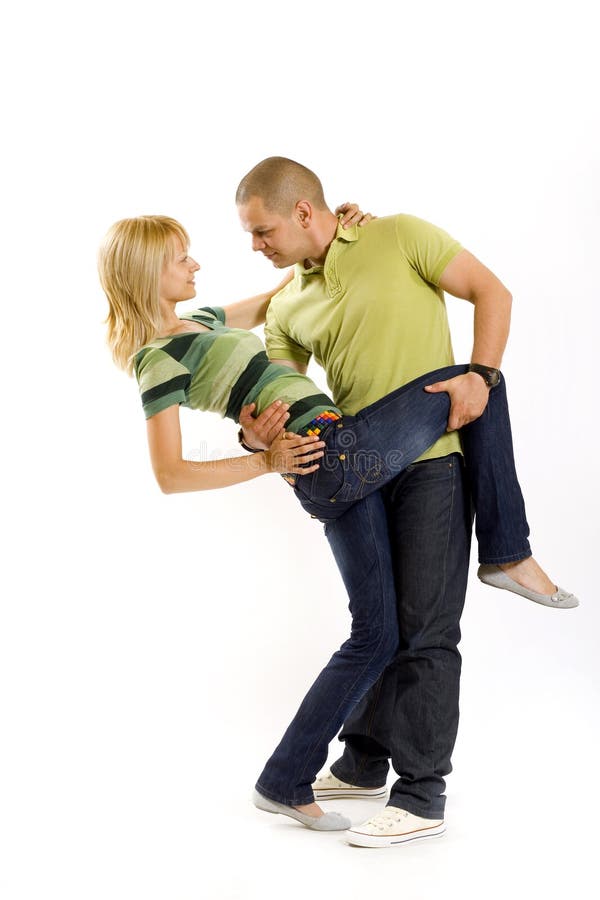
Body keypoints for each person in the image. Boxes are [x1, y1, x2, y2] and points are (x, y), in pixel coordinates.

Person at [99, 208, 577, 844]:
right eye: (180, 257)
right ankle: (510, 552)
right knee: (463, 379)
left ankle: (287, 779)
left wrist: (342, 225)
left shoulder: (203, 321)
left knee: (378, 633)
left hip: (339, 459)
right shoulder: (156, 361)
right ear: (144, 272)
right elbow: (169, 474)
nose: (196, 265)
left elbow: (283, 293)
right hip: (330, 454)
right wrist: (262, 457)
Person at [234, 157, 578, 848]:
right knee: (378, 626)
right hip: (359, 470)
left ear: (305, 212)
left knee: (426, 632)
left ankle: (422, 795)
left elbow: (491, 291)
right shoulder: (288, 307)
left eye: (262, 230)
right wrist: (255, 437)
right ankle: (363, 763)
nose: (255, 246)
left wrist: (480, 376)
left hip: (431, 468)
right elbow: (283, 398)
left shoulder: (399, 236)